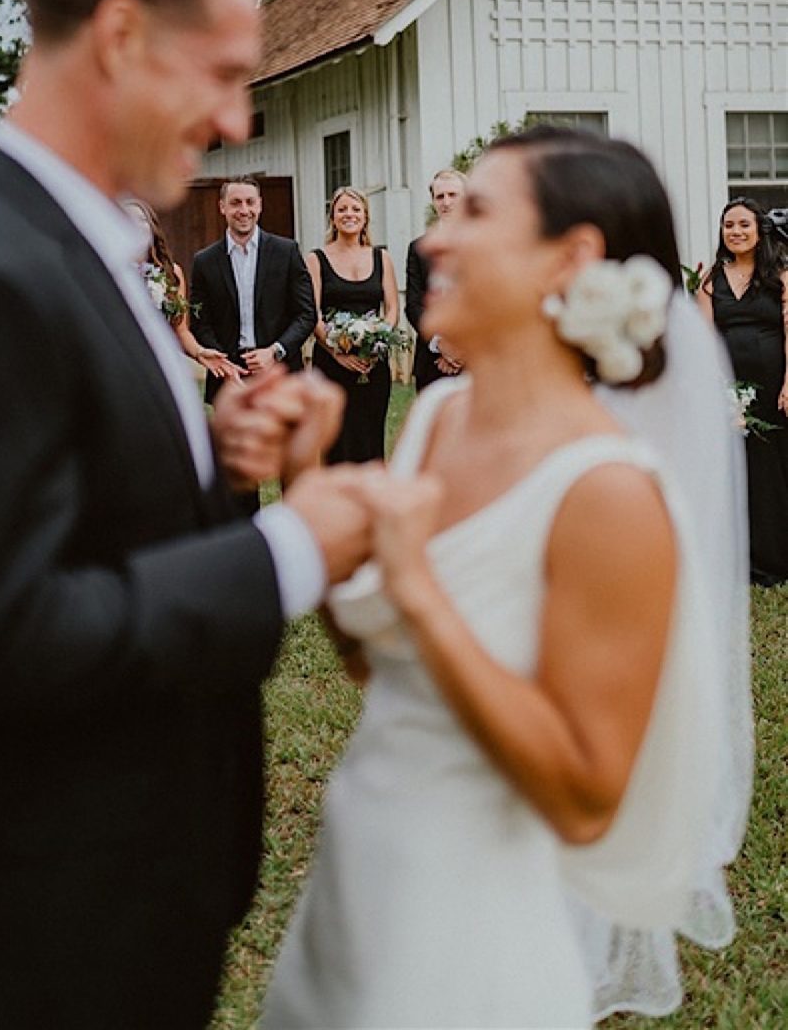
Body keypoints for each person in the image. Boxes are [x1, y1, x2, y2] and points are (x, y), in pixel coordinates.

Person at [0, 0, 371, 1030]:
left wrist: (218, 470)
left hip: (121, 889)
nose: (238, 121)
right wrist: (289, 546)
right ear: (123, 34)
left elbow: (69, 502)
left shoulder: (83, 245)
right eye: (224, 74)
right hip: (33, 938)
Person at [264, 126, 750, 1029]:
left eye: (477, 212)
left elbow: (584, 795)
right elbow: (380, 664)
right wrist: (308, 477)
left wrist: (417, 589)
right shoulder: (442, 416)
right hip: (356, 885)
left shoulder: (608, 493)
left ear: (569, 258)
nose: (437, 237)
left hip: (468, 930)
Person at [697, 197, 788, 585]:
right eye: (728, 225)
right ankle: (741, 561)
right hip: (729, 391)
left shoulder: (780, 276)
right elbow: (704, 338)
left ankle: (777, 561)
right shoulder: (709, 280)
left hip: (775, 390)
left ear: (758, 231)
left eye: (743, 225)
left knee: (774, 472)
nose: (735, 232)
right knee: (737, 472)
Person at [190, 177, 316, 394]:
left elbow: (306, 314)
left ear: (260, 205)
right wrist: (224, 363)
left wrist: (276, 351)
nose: (244, 210)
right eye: (235, 203)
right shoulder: (204, 261)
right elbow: (200, 322)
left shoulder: (286, 252)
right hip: (229, 376)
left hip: (280, 372)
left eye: (250, 202)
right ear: (222, 207)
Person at [308, 186, 400, 464]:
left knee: (371, 439)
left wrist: (378, 341)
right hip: (332, 365)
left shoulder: (381, 257)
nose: (349, 214)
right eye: (342, 209)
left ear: (365, 217)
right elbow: (311, 313)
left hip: (373, 366)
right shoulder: (316, 259)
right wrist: (338, 352)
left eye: (356, 209)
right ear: (333, 217)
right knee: (336, 441)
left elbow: (393, 307)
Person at [124, 197, 240, 383]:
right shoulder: (107, 272)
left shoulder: (172, 273)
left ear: (152, 228)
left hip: (161, 365)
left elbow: (181, 330)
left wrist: (199, 352)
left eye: (141, 220)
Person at [406, 167, 468, 391]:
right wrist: (441, 344)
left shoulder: (485, 245)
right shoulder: (419, 248)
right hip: (431, 361)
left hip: (477, 361)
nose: (446, 202)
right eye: (440, 196)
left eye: (453, 195)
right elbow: (413, 304)